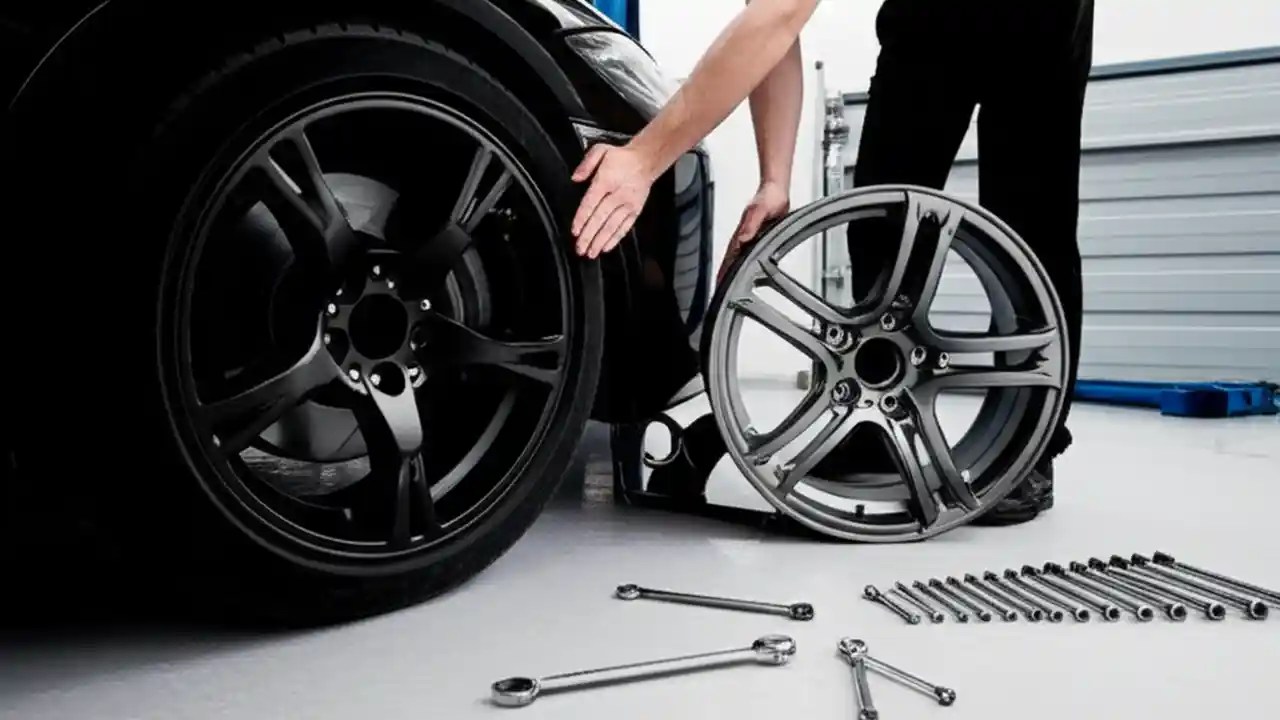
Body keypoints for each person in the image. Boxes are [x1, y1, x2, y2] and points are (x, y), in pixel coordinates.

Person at [571, 0, 1094, 526]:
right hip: (928, 16)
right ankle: (880, 420)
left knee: (1032, 219)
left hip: (1039, 17)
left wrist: (644, 159)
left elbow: (779, 14)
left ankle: (1031, 447)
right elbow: (771, 21)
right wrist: (774, 180)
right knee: (881, 217)